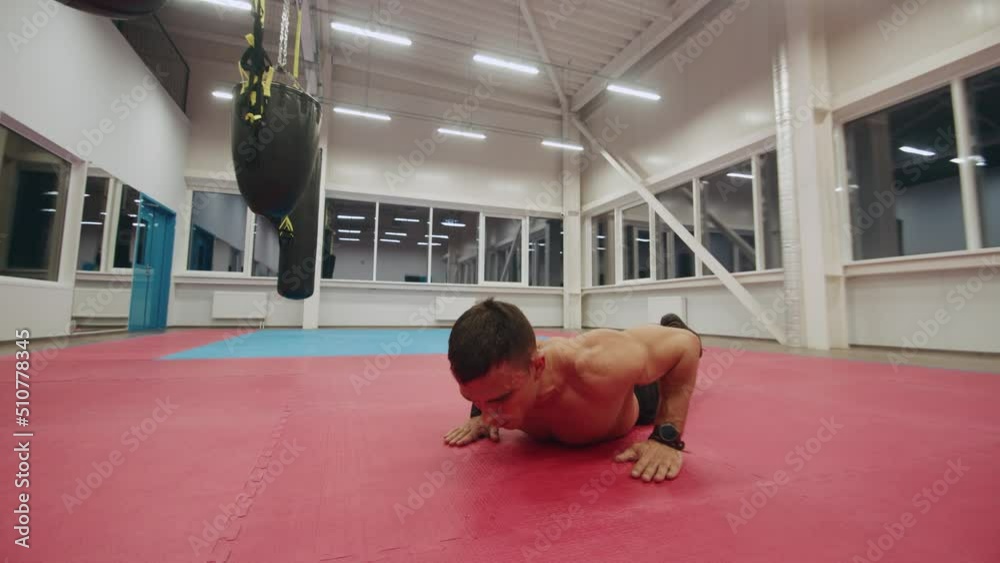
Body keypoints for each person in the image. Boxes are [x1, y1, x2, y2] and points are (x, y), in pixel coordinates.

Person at [443, 298, 702, 483]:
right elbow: (485, 386)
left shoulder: (596, 364)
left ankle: (674, 323)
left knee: (680, 344)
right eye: (475, 399)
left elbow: (685, 347)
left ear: (538, 366)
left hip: (635, 400)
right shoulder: (505, 376)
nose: (490, 418)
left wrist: (666, 438)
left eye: (499, 400)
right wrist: (477, 412)